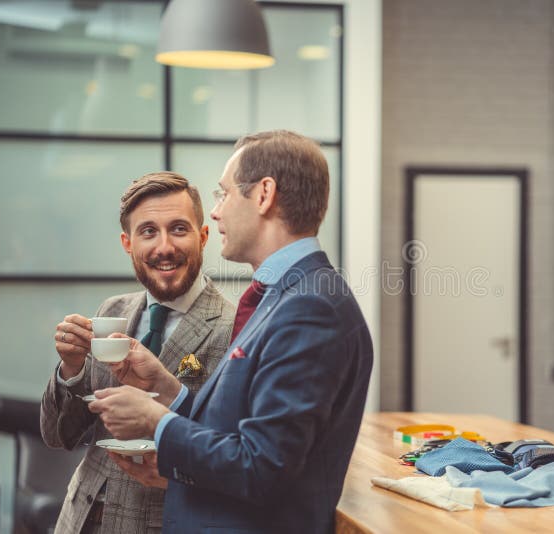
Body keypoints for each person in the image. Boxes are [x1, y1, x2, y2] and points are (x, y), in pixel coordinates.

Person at [89, 130, 373, 533]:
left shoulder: (310, 308)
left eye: (223, 194)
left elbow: (263, 466)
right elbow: (241, 428)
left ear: (264, 195)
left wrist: (157, 421)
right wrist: (169, 391)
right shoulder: (283, 296)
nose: (216, 212)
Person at [40, 172, 236, 533]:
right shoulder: (112, 311)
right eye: (148, 232)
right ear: (128, 243)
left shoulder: (234, 327)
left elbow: (232, 456)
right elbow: (58, 436)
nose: (164, 246)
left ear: (203, 236)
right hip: (78, 520)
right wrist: (71, 369)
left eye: (179, 229)